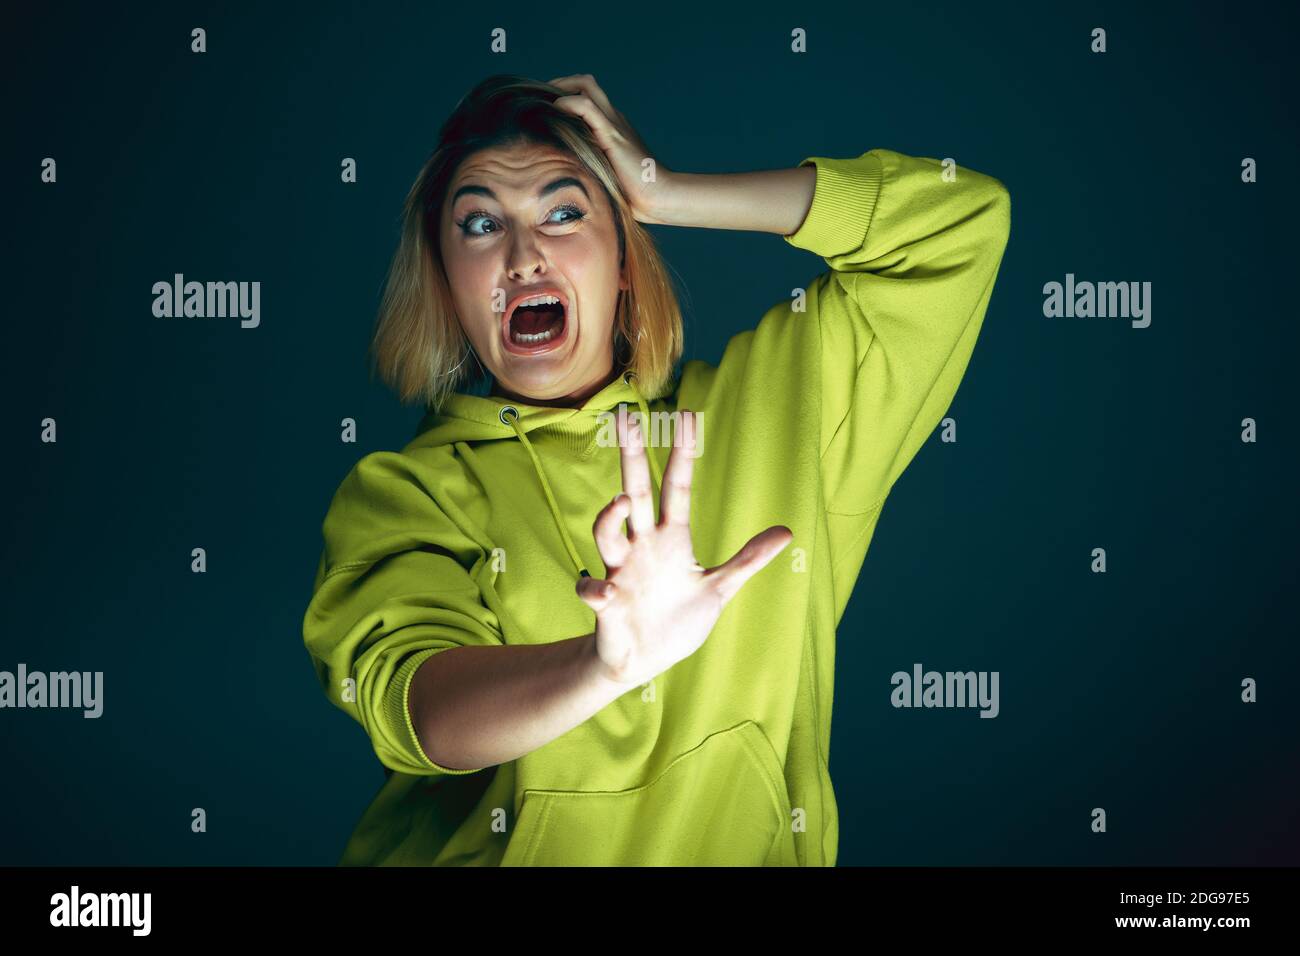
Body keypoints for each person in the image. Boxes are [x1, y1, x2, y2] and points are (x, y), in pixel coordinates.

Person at [302, 72, 1011, 866]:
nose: (524, 254)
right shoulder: (406, 494)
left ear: (626, 263)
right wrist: (602, 667)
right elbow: (424, 712)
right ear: (447, 282)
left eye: (566, 212)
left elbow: (959, 221)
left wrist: (665, 190)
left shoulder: (775, 407)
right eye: (479, 225)